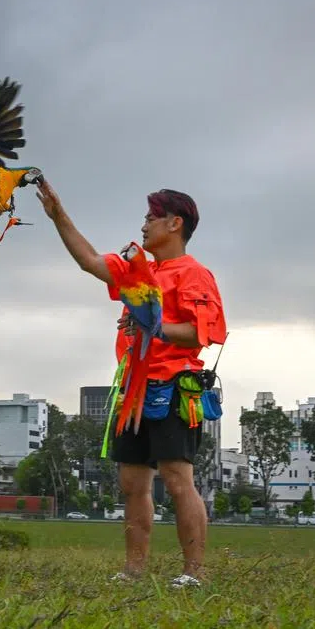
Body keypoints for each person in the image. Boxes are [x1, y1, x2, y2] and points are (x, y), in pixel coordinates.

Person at [36, 180, 227, 588]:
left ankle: (194, 573)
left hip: (174, 388)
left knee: (178, 479)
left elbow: (200, 333)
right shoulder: (139, 271)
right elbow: (89, 260)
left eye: (151, 217)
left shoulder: (195, 274)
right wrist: (58, 216)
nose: (143, 225)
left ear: (175, 224)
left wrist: (154, 328)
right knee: (131, 483)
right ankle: (134, 570)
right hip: (132, 391)